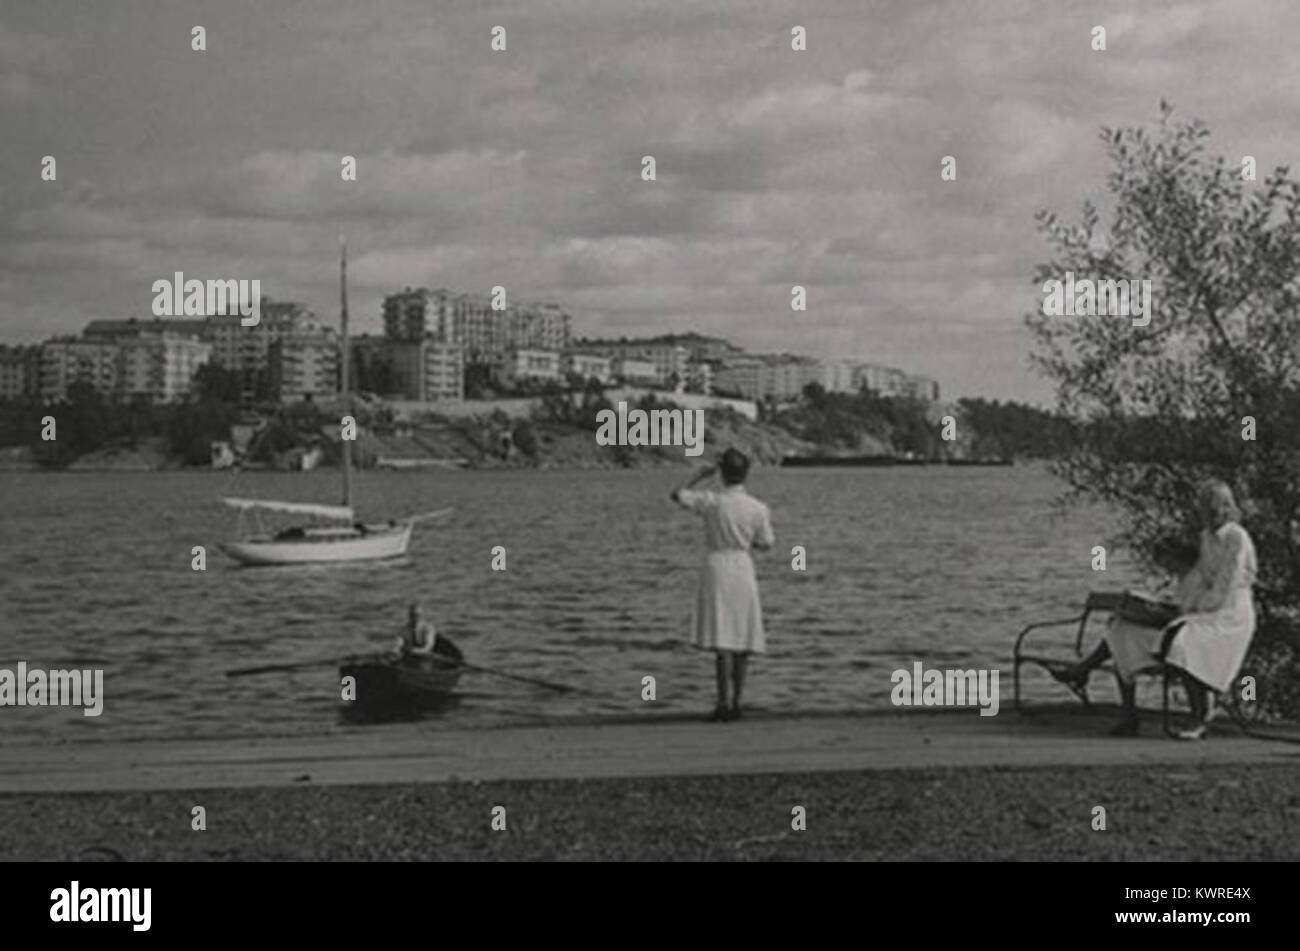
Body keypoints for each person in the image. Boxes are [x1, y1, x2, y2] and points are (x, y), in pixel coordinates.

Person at [1057, 481, 1257, 738]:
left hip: (1229, 616)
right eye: (1205, 508)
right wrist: (1172, 603)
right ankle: (1128, 715)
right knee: (1122, 631)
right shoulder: (1207, 537)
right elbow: (1200, 577)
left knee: (1183, 641)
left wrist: (1189, 609)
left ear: (1226, 508)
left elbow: (1225, 586)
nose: (1209, 514)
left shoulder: (1236, 538)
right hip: (1203, 610)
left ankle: (1200, 718)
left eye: (1214, 508)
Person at [671, 448, 775, 722]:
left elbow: (677, 494)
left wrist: (699, 475)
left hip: (717, 565)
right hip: (742, 566)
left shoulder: (712, 501)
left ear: (723, 474)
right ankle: (738, 701)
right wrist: (745, 539)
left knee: (722, 641)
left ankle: (722, 702)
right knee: (742, 639)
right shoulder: (758, 507)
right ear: (745, 473)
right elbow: (765, 543)